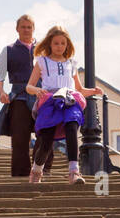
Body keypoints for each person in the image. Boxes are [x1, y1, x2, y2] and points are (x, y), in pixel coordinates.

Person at [25, 25, 101, 184]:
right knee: (46, 141)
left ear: (67, 45)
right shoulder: (42, 62)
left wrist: (93, 91)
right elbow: (29, 86)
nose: (59, 47)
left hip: (70, 99)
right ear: (49, 44)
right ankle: (37, 170)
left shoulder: (71, 64)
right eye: (56, 43)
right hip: (49, 100)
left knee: (72, 127)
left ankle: (74, 172)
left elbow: (79, 89)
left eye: (63, 43)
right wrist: (37, 90)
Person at [0, 14, 53, 177]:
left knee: (46, 132)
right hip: (19, 96)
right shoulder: (9, 50)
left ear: (33, 29)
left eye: (29, 27)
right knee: (19, 137)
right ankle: (21, 175)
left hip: (42, 95)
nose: (26, 30)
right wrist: (1, 92)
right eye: (23, 27)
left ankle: (43, 169)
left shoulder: (45, 50)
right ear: (17, 29)